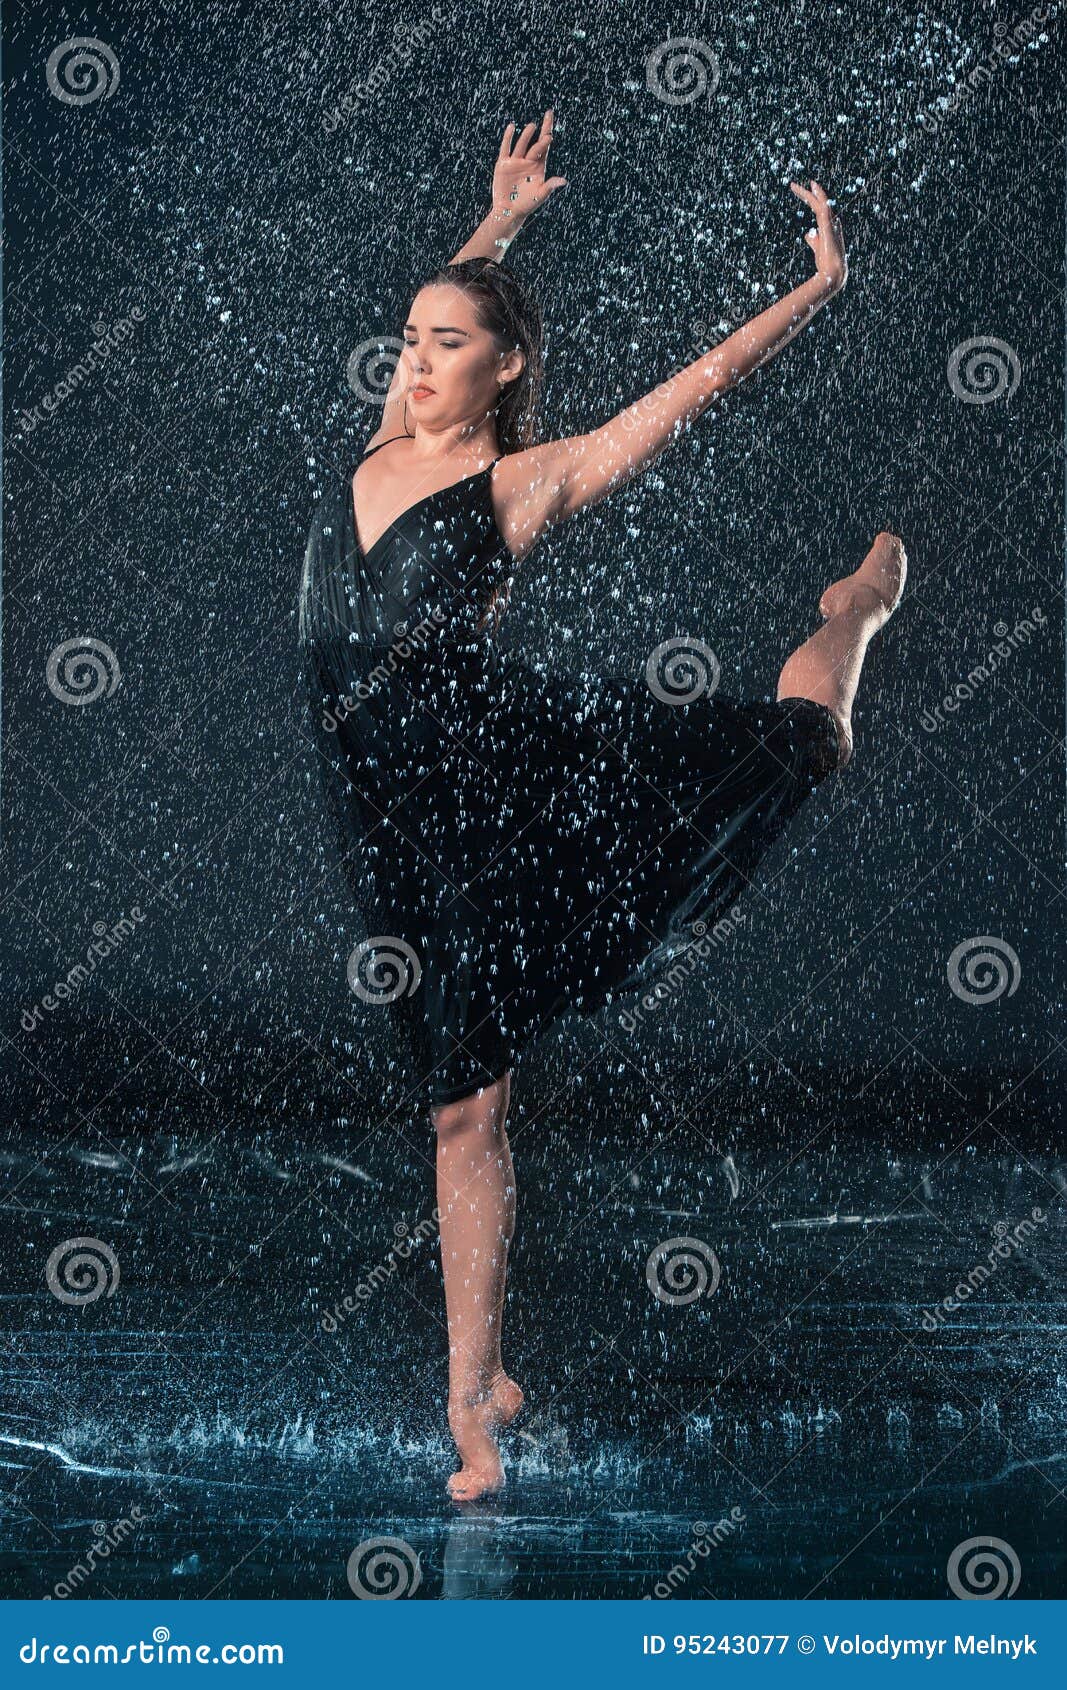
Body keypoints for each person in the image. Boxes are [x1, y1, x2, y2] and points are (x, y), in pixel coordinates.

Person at [299, 112, 906, 1502]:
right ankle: (480, 1377)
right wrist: (498, 215)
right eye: (411, 337)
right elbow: (448, 303)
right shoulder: (385, 441)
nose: (416, 356)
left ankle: (855, 621)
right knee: (455, 1107)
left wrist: (814, 291)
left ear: (504, 366)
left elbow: (683, 392)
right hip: (382, 818)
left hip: (498, 797)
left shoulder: (519, 484)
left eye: (450, 342)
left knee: (469, 1111)